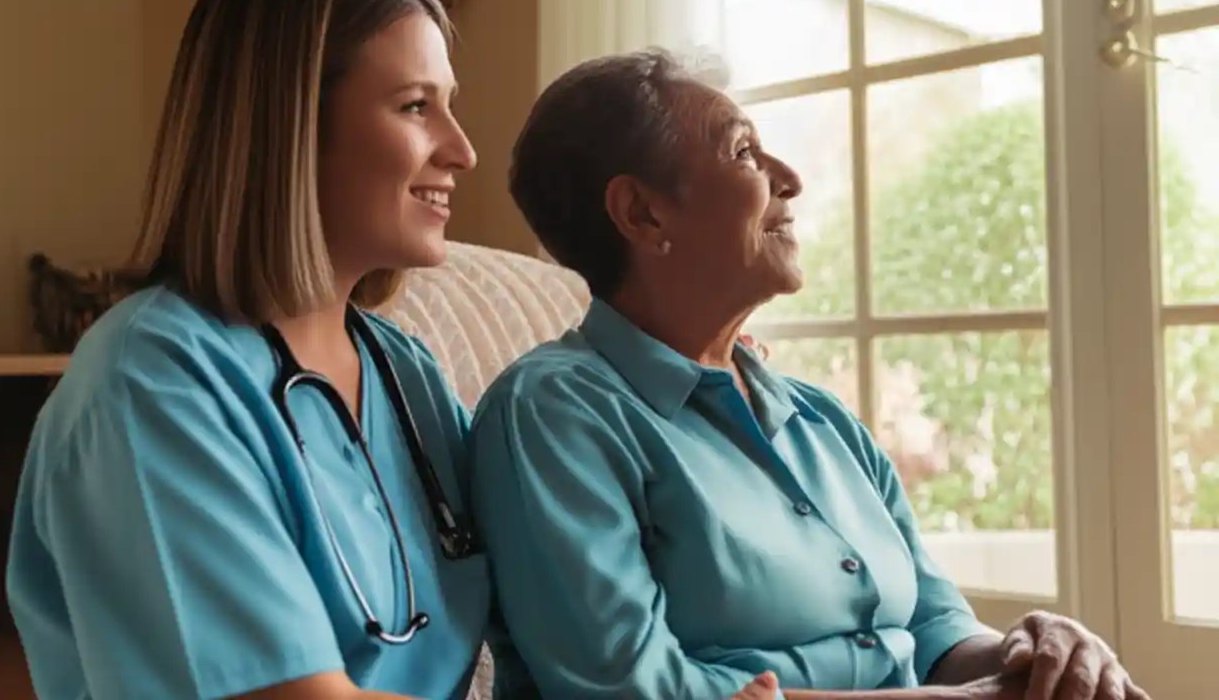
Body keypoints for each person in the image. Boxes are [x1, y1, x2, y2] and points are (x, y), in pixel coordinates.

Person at [4, 0, 780, 699]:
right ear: (291, 124)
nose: (463, 150)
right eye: (415, 106)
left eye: (450, 105)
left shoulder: (403, 371)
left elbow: (569, 590)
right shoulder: (152, 382)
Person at [469, 49, 1152, 700]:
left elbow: (936, 632)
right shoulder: (555, 411)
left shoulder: (822, 421)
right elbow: (631, 690)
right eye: (743, 151)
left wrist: (1038, 654)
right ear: (642, 213)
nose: (788, 177)